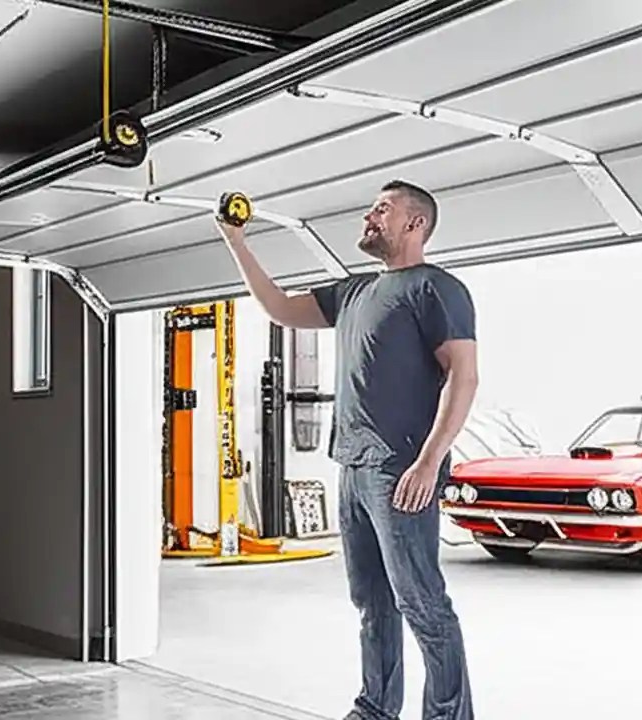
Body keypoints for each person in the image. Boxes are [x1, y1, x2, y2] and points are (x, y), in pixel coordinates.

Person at [215, 180, 479, 720]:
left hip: (401, 469)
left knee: (422, 602)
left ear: (415, 224)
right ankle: (376, 708)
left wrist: (430, 461)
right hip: (352, 466)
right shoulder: (353, 291)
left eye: (382, 209)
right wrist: (236, 242)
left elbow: (464, 376)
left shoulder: (437, 288)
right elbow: (280, 308)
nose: (369, 217)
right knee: (371, 602)